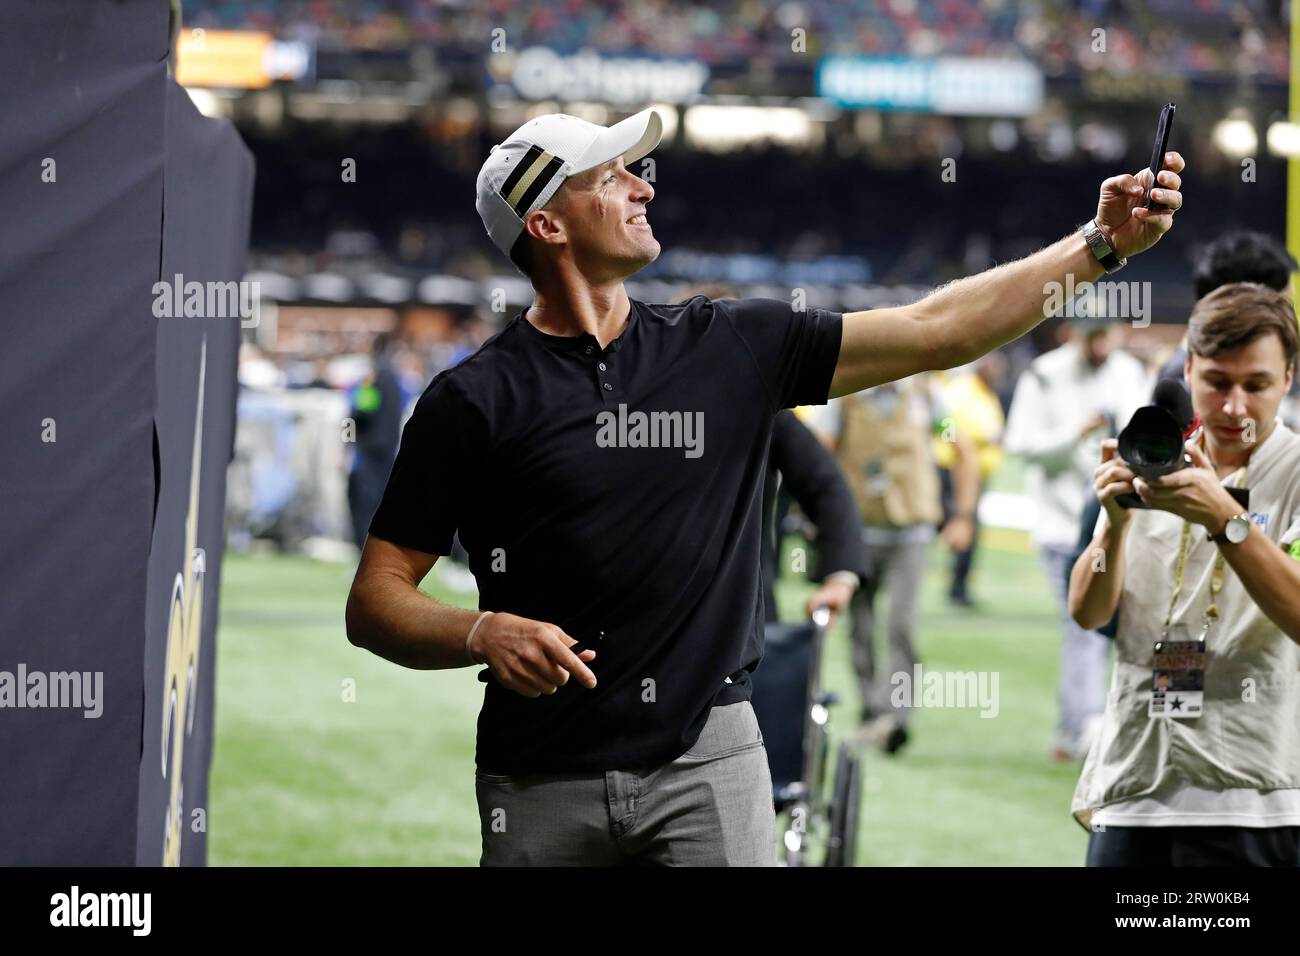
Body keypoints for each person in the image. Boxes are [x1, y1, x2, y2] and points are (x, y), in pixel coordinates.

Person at [345, 107, 1184, 866]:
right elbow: (376, 598)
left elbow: (940, 330)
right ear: (547, 225)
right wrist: (478, 630)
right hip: (538, 785)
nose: (643, 186)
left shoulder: (729, 346)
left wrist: (1098, 246)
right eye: (613, 177)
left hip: (711, 763)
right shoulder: (472, 401)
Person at [1069, 283, 1300, 866]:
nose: (1234, 407)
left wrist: (1227, 518)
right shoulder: (1154, 455)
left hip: (1255, 796)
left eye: (1257, 385)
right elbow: (1088, 612)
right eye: (1217, 382)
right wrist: (1113, 525)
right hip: (1134, 784)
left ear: (1289, 379)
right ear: (1189, 368)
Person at [1003, 318, 1152, 761]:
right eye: (1094, 335)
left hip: (1114, 518)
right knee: (1083, 627)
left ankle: (1078, 726)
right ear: (1072, 333)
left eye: (1110, 333)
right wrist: (1076, 435)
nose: (1103, 343)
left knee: (1110, 627)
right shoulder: (1044, 375)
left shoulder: (1128, 372)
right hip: (1061, 525)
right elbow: (1019, 442)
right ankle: (1087, 727)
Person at [809, 374, 978, 755]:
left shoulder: (926, 400)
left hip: (911, 533)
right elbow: (820, 450)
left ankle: (895, 718)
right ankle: (871, 714)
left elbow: (960, 447)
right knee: (861, 630)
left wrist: (963, 515)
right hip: (859, 531)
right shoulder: (847, 398)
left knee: (902, 626)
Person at [933, 352, 1008, 607]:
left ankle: (957, 586)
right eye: (993, 366)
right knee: (961, 526)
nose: (998, 372)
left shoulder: (986, 393)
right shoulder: (962, 391)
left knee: (963, 529)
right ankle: (956, 588)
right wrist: (983, 437)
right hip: (954, 472)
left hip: (976, 474)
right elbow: (948, 427)